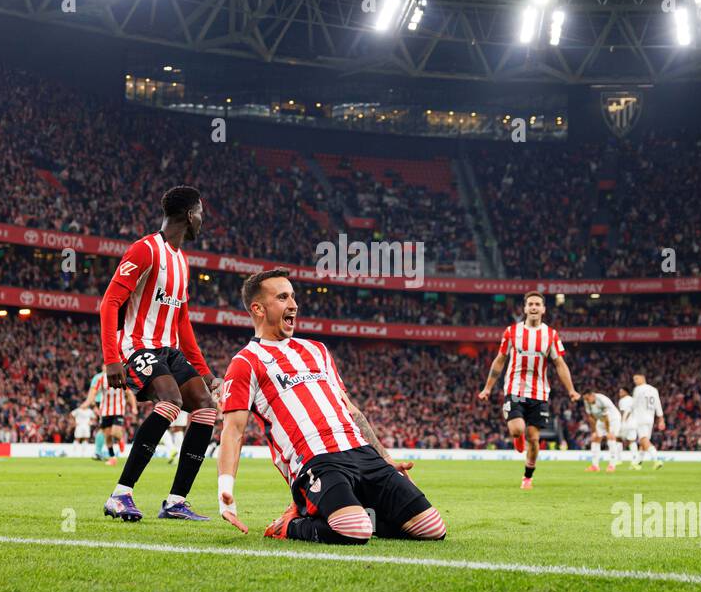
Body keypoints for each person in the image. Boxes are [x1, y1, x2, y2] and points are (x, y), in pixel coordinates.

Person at [214, 269, 445, 544]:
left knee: (432, 529)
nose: (293, 304)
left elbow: (351, 410)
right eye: (283, 297)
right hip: (317, 459)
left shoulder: (317, 350)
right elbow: (233, 430)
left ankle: (359, 513)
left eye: (293, 296)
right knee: (353, 532)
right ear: (258, 308)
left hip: (361, 451)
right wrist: (225, 487)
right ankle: (290, 525)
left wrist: (385, 459)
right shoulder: (246, 362)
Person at [100, 186, 220, 522]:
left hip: (170, 350)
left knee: (206, 409)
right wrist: (111, 357)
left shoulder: (182, 261)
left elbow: (182, 321)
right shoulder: (144, 250)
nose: (202, 219)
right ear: (188, 214)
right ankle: (120, 495)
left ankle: (176, 501)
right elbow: (109, 302)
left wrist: (204, 371)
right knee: (171, 401)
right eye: (200, 212)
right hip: (138, 345)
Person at [478, 292, 580, 489]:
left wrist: (572, 390)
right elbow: (500, 360)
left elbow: (560, 364)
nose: (534, 307)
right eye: (530, 304)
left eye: (537, 304)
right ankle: (518, 436)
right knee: (517, 430)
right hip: (514, 388)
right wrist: (487, 388)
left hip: (539, 393)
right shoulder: (511, 332)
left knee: (534, 439)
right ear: (524, 308)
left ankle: (527, 477)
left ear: (543, 309)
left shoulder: (551, 335)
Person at [631, 373, 665, 469]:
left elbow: (633, 405)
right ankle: (637, 462)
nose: (635, 381)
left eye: (637, 379)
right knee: (644, 441)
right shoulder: (654, 389)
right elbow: (658, 405)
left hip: (640, 417)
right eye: (634, 379)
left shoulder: (638, 389)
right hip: (650, 418)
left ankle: (656, 459)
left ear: (643, 378)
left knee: (643, 439)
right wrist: (661, 419)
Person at [582, 390, 621, 473]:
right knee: (595, 438)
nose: (587, 401)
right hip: (601, 419)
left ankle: (612, 465)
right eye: (585, 399)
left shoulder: (602, 400)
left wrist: (608, 432)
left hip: (613, 418)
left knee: (610, 437)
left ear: (592, 395)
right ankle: (595, 466)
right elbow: (590, 418)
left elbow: (606, 418)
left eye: (588, 399)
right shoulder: (587, 401)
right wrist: (594, 431)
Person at [618, 388, 641, 469]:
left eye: (621, 391)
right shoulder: (632, 400)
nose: (619, 393)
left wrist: (622, 422)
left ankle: (618, 459)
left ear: (626, 392)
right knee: (632, 441)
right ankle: (635, 460)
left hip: (626, 423)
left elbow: (626, 411)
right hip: (634, 423)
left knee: (617, 439)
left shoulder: (623, 400)